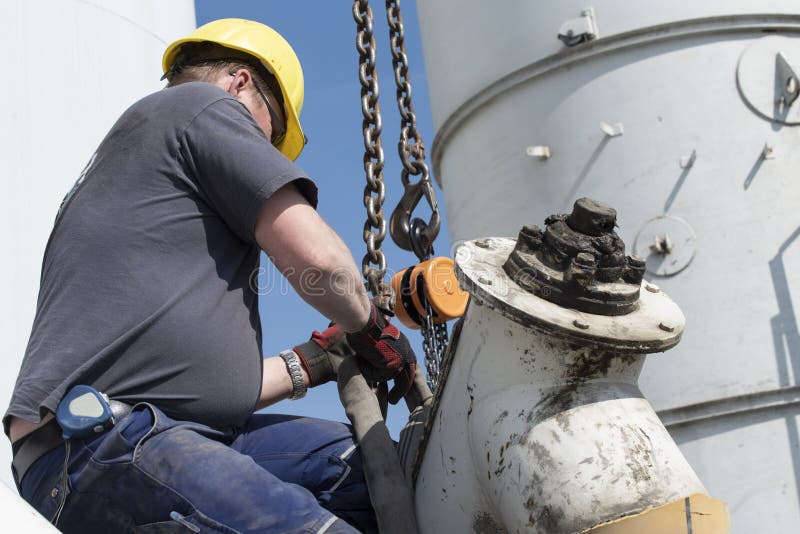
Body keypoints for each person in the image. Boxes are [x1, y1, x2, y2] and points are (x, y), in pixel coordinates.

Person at [4, 18, 417, 533]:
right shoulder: (202, 106)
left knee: (383, 473)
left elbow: (201, 381)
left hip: (155, 432)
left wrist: (317, 360)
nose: (263, 152)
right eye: (270, 134)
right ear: (239, 83)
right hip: (96, 444)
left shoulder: (146, 177)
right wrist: (369, 325)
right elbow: (321, 263)